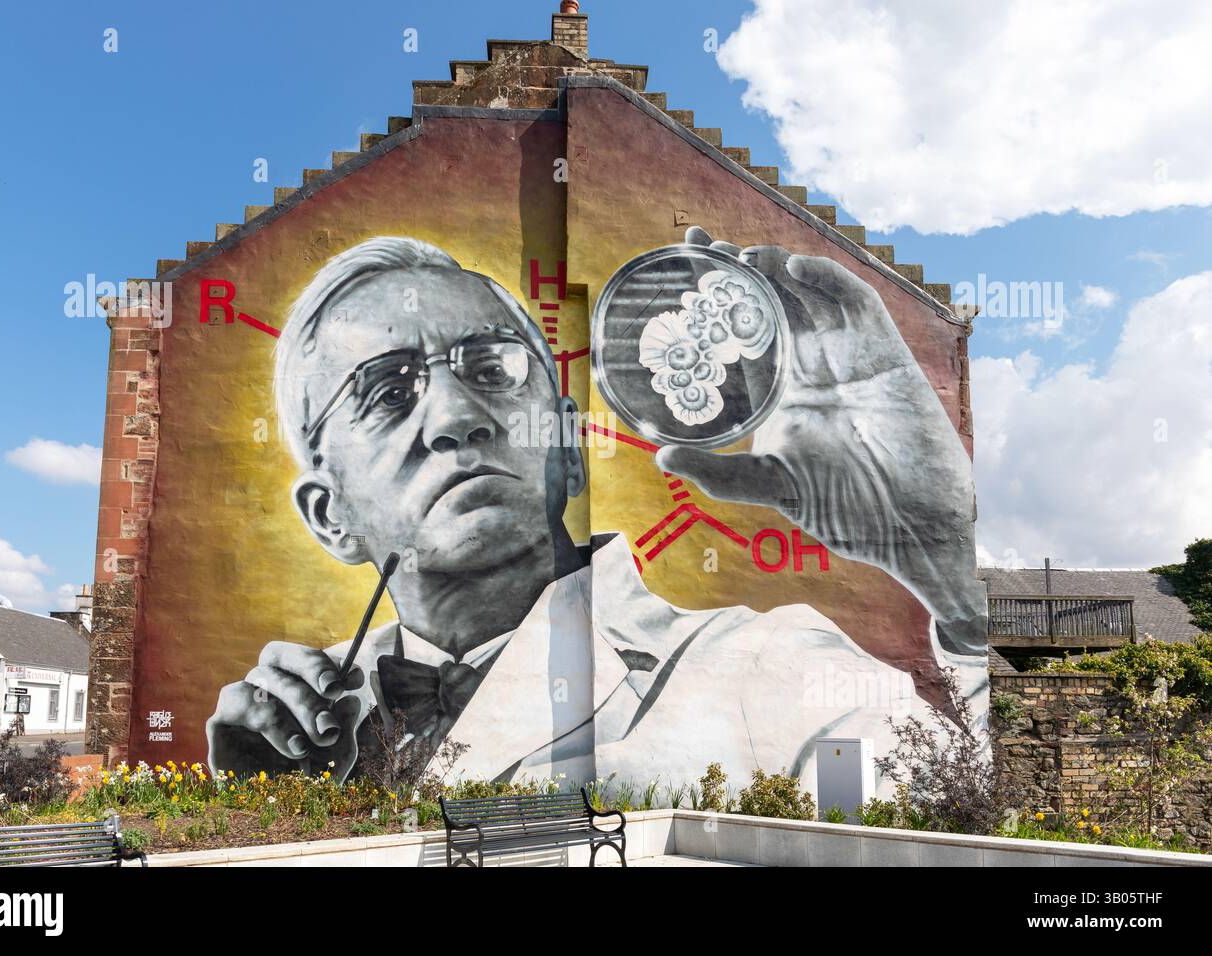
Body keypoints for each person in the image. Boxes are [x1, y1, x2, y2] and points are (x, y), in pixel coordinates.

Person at [205, 233, 988, 794]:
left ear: (570, 450)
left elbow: (963, 826)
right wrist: (259, 813)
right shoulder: (298, 719)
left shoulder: (763, 666)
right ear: (329, 516)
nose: (455, 416)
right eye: (385, 391)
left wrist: (949, 574)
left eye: (492, 368)